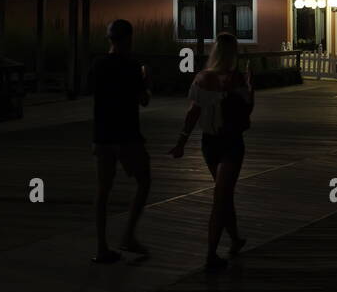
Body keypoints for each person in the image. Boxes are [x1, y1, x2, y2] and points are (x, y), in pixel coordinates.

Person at [172, 33, 254, 273]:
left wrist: (182, 141)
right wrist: (251, 87)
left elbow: (193, 112)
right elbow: (247, 112)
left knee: (222, 193)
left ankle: (235, 239)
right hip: (230, 142)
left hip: (209, 142)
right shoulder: (237, 79)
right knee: (222, 195)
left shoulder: (201, 79)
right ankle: (211, 253)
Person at [89, 19, 152, 264]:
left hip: (102, 134)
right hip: (127, 134)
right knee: (144, 180)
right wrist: (147, 81)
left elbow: (91, 91)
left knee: (103, 190)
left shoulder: (98, 65)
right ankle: (128, 235)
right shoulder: (132, 66)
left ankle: (101, 246)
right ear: (128, 39)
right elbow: (143, 100)